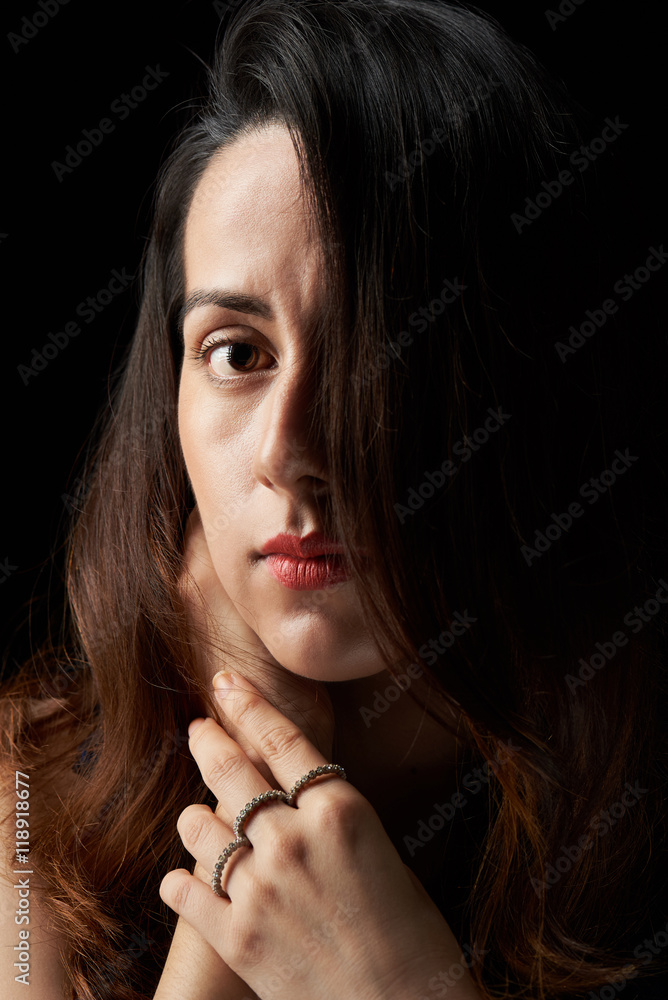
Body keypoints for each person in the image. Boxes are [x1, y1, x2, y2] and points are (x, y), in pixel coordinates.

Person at [1, 1, 667, 998]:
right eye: (235, 353)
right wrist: (266, 770)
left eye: (376, 350)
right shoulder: (31, 774)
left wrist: (398, 980)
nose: (286, 450)